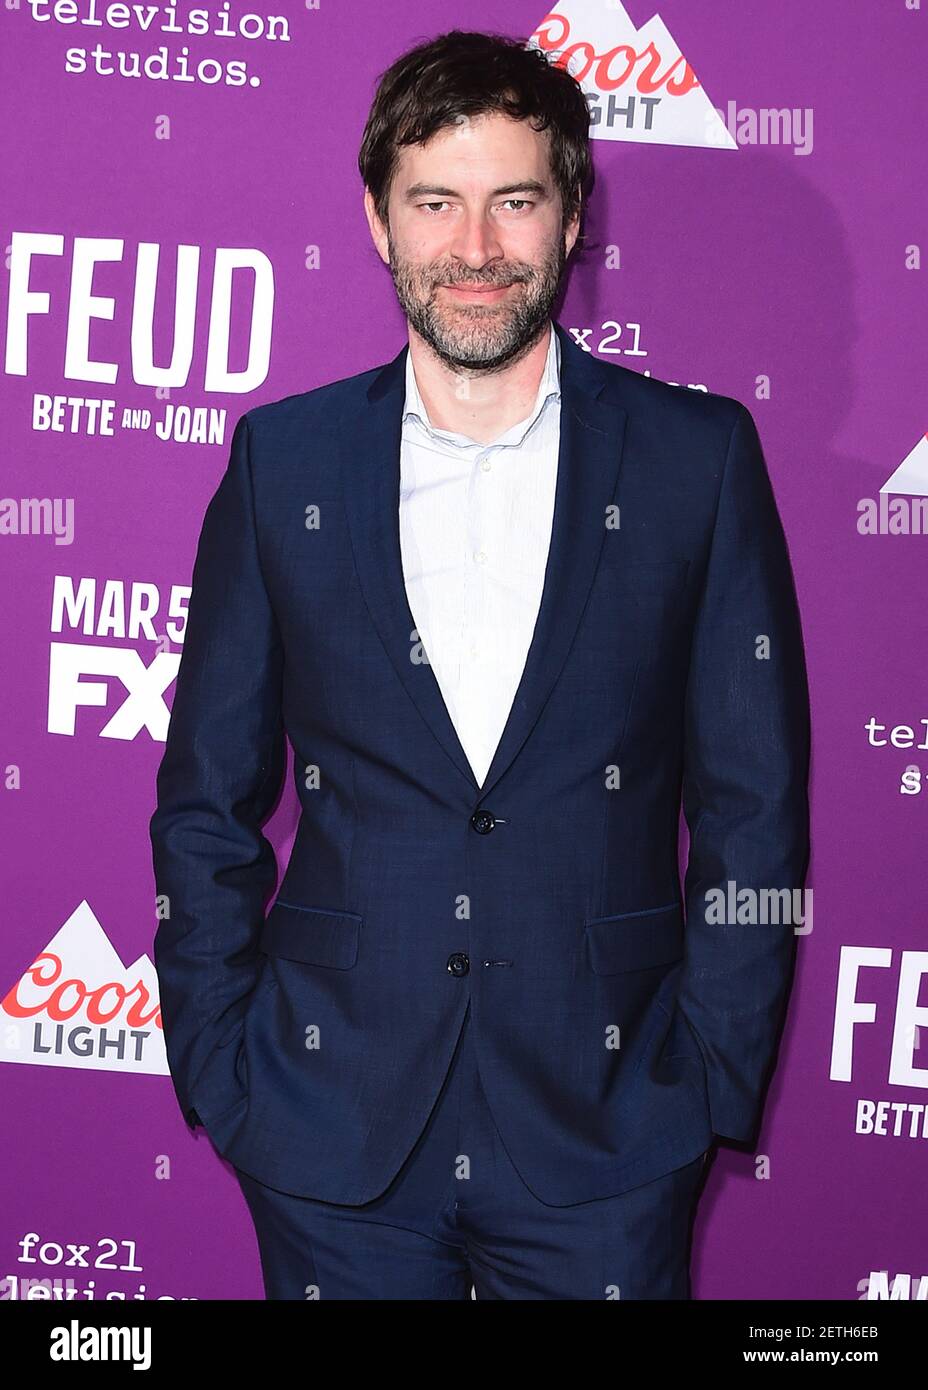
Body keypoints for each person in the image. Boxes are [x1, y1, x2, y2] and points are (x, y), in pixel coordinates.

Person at [150, 30, 810, 1300]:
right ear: (377, 222)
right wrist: (222, 1064)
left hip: (610, 1125)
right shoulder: (281, 464)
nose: (475, 248)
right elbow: (204, 800)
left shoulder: (695, 460)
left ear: (570, 219)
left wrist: (711, 1077)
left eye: (515, 201)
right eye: (434, 203)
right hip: (327, 1119)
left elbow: (755, 809)